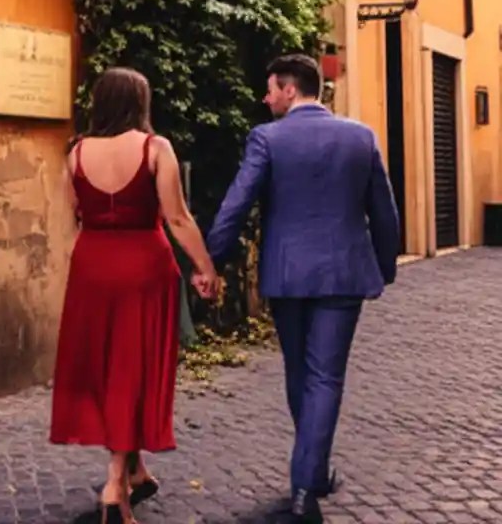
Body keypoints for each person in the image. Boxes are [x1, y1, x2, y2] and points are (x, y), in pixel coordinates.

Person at [204, 54, 399, 523]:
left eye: (270, 88)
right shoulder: (360, 137)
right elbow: (385, 211)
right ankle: (309, 477)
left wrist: (209, 259)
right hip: (343, 274)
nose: (265, 97)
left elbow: (237, 203)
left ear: (290, 89)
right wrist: (385, 264)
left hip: (288, 275)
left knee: (300, 372)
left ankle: (306, 483)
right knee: (325, 377)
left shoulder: (267, 138)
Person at [50, 67, 220, 524]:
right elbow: (178, 218)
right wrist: (206, 268)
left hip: (92, 267)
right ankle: (114, 485)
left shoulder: (75, 153)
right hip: (144, 267)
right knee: (135, 369)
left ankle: (137, 470)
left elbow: (70, 219)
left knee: (109, 369)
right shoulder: (155, 148)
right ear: (139, 104)